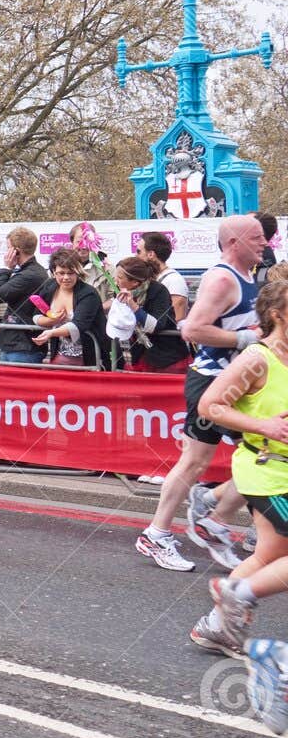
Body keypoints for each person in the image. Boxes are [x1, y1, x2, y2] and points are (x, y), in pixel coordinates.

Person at [140, 214, 267, 572]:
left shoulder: (247, 275)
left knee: (265, 456)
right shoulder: (222, 278)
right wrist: (247, 338)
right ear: (234, 243)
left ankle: (213, 515)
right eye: (256, 238)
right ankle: (160, 533)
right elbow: (193, 329)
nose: (264, 242)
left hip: (236, 383)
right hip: (212, 383)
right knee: (199, 461)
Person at [189, 281, 288, 656]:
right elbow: (210, 406)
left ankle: (217, 627)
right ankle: (239, 595)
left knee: (269, 556)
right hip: (266, 471)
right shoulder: (257, 359)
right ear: (278, 314)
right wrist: (264, 426)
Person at [29, 249, 108, 368]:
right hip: (60, 355)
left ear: (78, 272)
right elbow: (36, 315)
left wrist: (51, 333)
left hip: (92, 358)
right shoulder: (49, 286)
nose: (66, 277)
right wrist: (51, 320)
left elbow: (78, 325)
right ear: (53, 272)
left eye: (71, 273)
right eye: (61, 273)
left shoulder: (89, 293)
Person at [107, 256, 185, 373]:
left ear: (135, 282)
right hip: (135, 353)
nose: (115, 280)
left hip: (165, 355)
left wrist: (133, 305)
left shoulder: (158, 291)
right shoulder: (120, 291)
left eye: (120, 277)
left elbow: (156, 325)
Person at [0, 227, 48, 364]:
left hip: (22, 347)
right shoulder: (30, 271)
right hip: (17, 344)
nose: (6, 253)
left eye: (8, 248)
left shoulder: (29, 274)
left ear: (16, 251)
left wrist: (6, 269)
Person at [140, 231, 191, 322]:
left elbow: (176, 319)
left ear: (151, 254)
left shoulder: (174, 281)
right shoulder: (151, 279)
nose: (136, 256)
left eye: (139, 252)